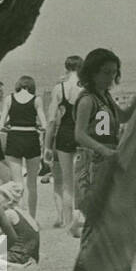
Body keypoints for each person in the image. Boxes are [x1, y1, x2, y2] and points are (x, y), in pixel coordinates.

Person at [62, 48, 136, 271]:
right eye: (105, 72)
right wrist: (105, 150)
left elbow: (122, 117)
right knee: (95, 225)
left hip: (107, 163)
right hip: (93, 165)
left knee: (108, 225)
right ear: (91, 72)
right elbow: (79, 134)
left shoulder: (105, 97)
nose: (110, 78)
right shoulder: (87, 99)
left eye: (114, 73)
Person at [44, 55, 84, 230]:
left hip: (65, 134)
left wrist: (46, 145)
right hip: (84, 135)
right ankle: (81, 217)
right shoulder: (88, 88)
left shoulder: (59, 88)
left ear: (66, 68)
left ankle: (68, 222)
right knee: (83, 180)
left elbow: (51, 120)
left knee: (67, 182)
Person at [0, 75, 48, 220]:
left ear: (18, 85)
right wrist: (37, 127)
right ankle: (32, 219)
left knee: (17, 183)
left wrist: (11, 126)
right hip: (31, 138)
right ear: (31, 86)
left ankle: (22, 219)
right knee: (32, 183)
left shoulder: (9, 99)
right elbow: (44, 125)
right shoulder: (37, 99)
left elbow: (1, 124)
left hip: (14, 138)